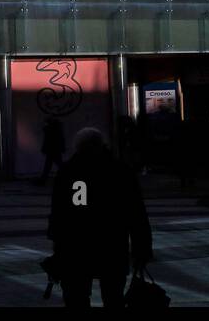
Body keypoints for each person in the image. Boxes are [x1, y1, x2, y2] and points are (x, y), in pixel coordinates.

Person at [48, 127, 152, 307]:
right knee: (113, 297)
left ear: (78, 147)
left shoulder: (68, 171)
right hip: (112, 243)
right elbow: (136, 214)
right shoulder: (120, 170)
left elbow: (59, 213)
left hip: (76, 245)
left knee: (77, 297)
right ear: (102, 145)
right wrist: (142, 248)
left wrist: (58, 244)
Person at [38, 118, 65, 184]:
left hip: (52, 150)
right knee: (54, 165)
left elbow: (47, 141)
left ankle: (42, 180)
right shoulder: (56, 130)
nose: (45, 124)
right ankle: (42, 180)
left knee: (49, 165)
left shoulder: (50, 130)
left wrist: (44, 149)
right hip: (55, 150)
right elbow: (61, 140)